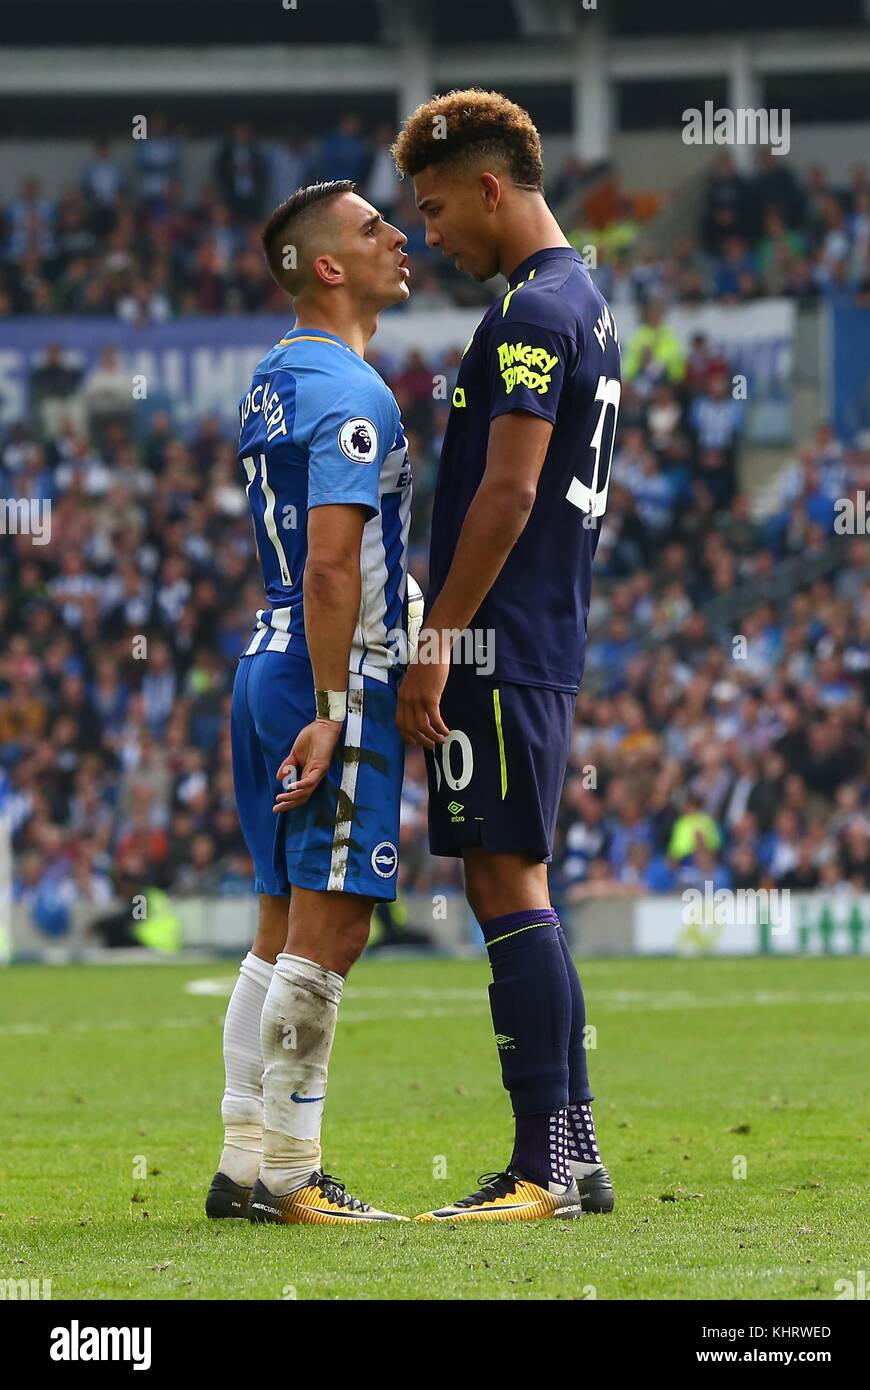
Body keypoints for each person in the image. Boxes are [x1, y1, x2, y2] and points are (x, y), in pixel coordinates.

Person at [392, 90, 616, 1222]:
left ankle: (545, 1165)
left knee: (503, 881)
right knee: (511, 878)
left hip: (498, 637)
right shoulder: (583, 299)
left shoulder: (532, 314)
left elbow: (511, 489)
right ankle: (567, 1154)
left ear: (490, 186)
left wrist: (438, 641)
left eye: (434, 209)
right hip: (532, 635)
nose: (426, 234)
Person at [206, 179, 414, 1225]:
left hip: (265, 657)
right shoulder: (350, 390)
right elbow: (335, 569)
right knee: (329, 932)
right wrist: (336, 704)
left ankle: (244, 1153)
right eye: (376, 228)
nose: (399, 237)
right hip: (327, 668)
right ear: (327, 265)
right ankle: (293, 1175)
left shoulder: (271, 377)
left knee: (279, 923)